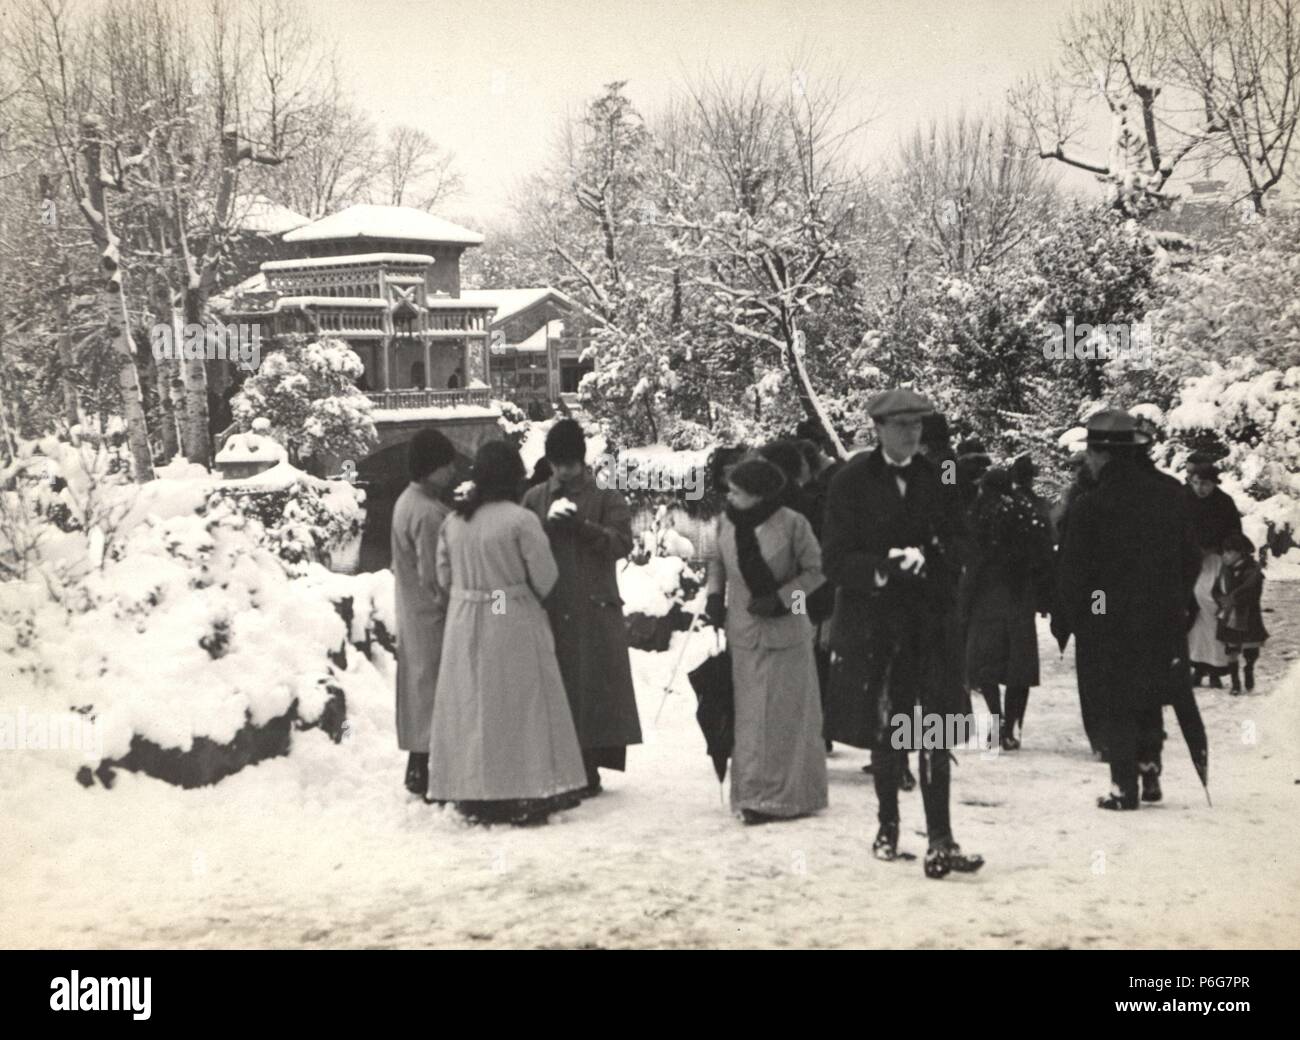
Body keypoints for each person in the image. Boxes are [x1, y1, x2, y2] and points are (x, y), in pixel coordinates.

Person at [823, 387, 982, 878]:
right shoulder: (849, 481)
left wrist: (931, 556)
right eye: (901, 427)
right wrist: (882, 567)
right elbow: (833, 559)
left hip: (930, 622)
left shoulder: (942, 477)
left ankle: (941, 838)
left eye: (917, 426)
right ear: (879, 429)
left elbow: (962, 542)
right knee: (889, 728)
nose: (911, 435)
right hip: (874, 624)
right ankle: (887, 825)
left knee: (935, 727)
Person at [427, 441, 587, 824]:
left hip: (466, 615)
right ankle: (523, 787)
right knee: (518, 704)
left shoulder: (455, 521)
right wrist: (500, 597)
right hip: (506, 609)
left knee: (473, 704)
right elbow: (545, 578)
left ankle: (472, 788)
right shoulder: (519, 520)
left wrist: (478, 597)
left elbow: (443, 577)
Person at [1058, 409, 1201, 810]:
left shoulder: (1091, 504)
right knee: (1152, 688)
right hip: (1161, 614)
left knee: (1115, 696)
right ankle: (1149, 761)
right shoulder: (1172, 493)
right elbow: (1190, 557)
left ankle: (1125, 785)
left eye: (1091, 452)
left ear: (1103, 455)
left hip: (1110, 618)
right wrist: (1174, 599)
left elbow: (1074, 573)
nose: (1088, 459)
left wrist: (1089, 615)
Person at [705, 457, 828, 824]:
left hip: (786, 634)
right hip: (743, 632)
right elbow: (717, 562)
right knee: (749, 718)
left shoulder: (793, 523)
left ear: (759, 496)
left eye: (738, 492)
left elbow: (818, 572)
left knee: (783, 719)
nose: (730, 496)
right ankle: (752, 795)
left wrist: (783, 598)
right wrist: (714, 596)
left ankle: (789, 798)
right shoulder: (726, 522)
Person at [523, 420, 643, 797]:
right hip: (552, 604)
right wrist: (545, 527)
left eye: (570, 464)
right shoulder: (535, 497)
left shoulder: (607, 497)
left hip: (594, 606)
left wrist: (583, 528)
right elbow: (518, 544)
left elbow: (623, 544)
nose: (563, 472)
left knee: (593, 689)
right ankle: (554, 764)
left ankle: (589, 767)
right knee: (554, 685)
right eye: (557, 464)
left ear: (583, 461)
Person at [961, 467, 1052, 750]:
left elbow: (972, 559)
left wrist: (964, 600)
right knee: (1019, 666)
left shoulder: (979, 513)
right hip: (1020, 596)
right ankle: (1012, 726)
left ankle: (996, 719)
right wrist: (1044, 597)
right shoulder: (1027, 513)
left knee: (986, 664)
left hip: (988, 597)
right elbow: (1044, 555)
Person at [390, 429, 458, 796]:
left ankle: (417, 769)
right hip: (431, 614)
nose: (451, 472)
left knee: (418, 691)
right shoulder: (430, 512)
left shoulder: (406, 502)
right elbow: (437, 575)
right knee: (436, 691)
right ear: (432, 467)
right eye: (446, 466)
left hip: (410, 609)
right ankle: (431, 774)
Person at [1050, 453, 1106, 757]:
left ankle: (1101, 737)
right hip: (1105, 596)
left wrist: (1068, 604)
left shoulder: (1080, 504)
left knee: (1092, 665)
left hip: (1092, 596)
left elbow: (1070, 557)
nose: (1072, 474)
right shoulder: (1090, 500)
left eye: (1075, 469)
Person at [1186, 463, 1242, 687]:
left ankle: (1217, 668)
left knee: (1212, 606)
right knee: (1193, 611)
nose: (1200, 488)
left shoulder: (1224, 503)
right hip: (1189, 563)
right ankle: (1197, 666)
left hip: (1215, 562)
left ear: (1214, 483)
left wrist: (1215, 549)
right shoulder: (1184, 499)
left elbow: (1234, 534)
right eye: (1196, 483)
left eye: (1206, 483)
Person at [1214, 532, 1269, 694]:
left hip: (1248, 616)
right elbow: (1215, 590)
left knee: (1251, 650)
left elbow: (1252, 593)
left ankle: (1249, 669)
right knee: (1231, 649)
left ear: (1240, 553)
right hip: (1229, 615)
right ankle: (1235, 683)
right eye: (1223, 552)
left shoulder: (1253, 572)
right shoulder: (1224, 571)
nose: (1224, 556)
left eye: (1229, 552)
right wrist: (1221, 599)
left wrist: (1232, 600)